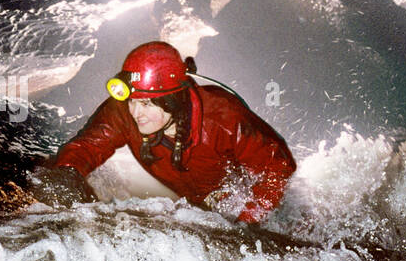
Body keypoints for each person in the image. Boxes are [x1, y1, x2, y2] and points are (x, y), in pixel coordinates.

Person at [30, 41, 296, 222]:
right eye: (131, 101)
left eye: (146, 103)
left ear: (172, 101)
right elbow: (88, 145)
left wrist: (248, 222)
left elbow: (277, 167)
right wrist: (67, 172)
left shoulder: (224, 118)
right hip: (200, 207)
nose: (136, 112)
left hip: (253, 202)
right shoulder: (124, 112)